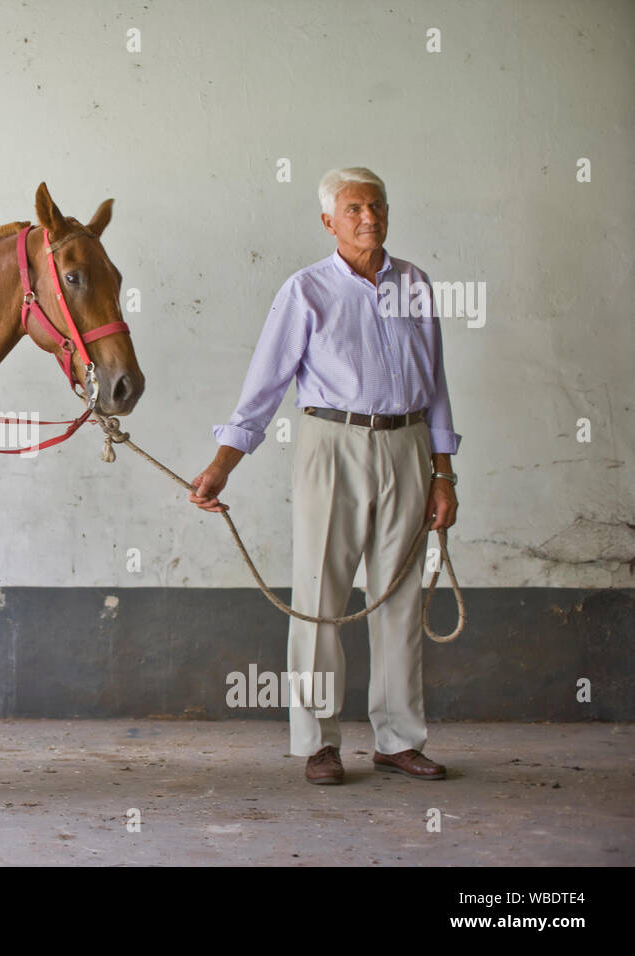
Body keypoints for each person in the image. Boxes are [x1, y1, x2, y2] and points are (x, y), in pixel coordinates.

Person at [190, 167, 460, 785]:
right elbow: (264, 386)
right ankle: (317, 743)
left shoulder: (414, 283)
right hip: (331, 444)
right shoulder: (305, 289)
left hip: (409, 445)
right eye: (354, 207)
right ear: (329, 221)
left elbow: (438, 385)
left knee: (399, 597)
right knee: (319, 598)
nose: (369, 217)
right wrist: (221, 466)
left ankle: (398, 739)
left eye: (377, 205)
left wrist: (444, 474)